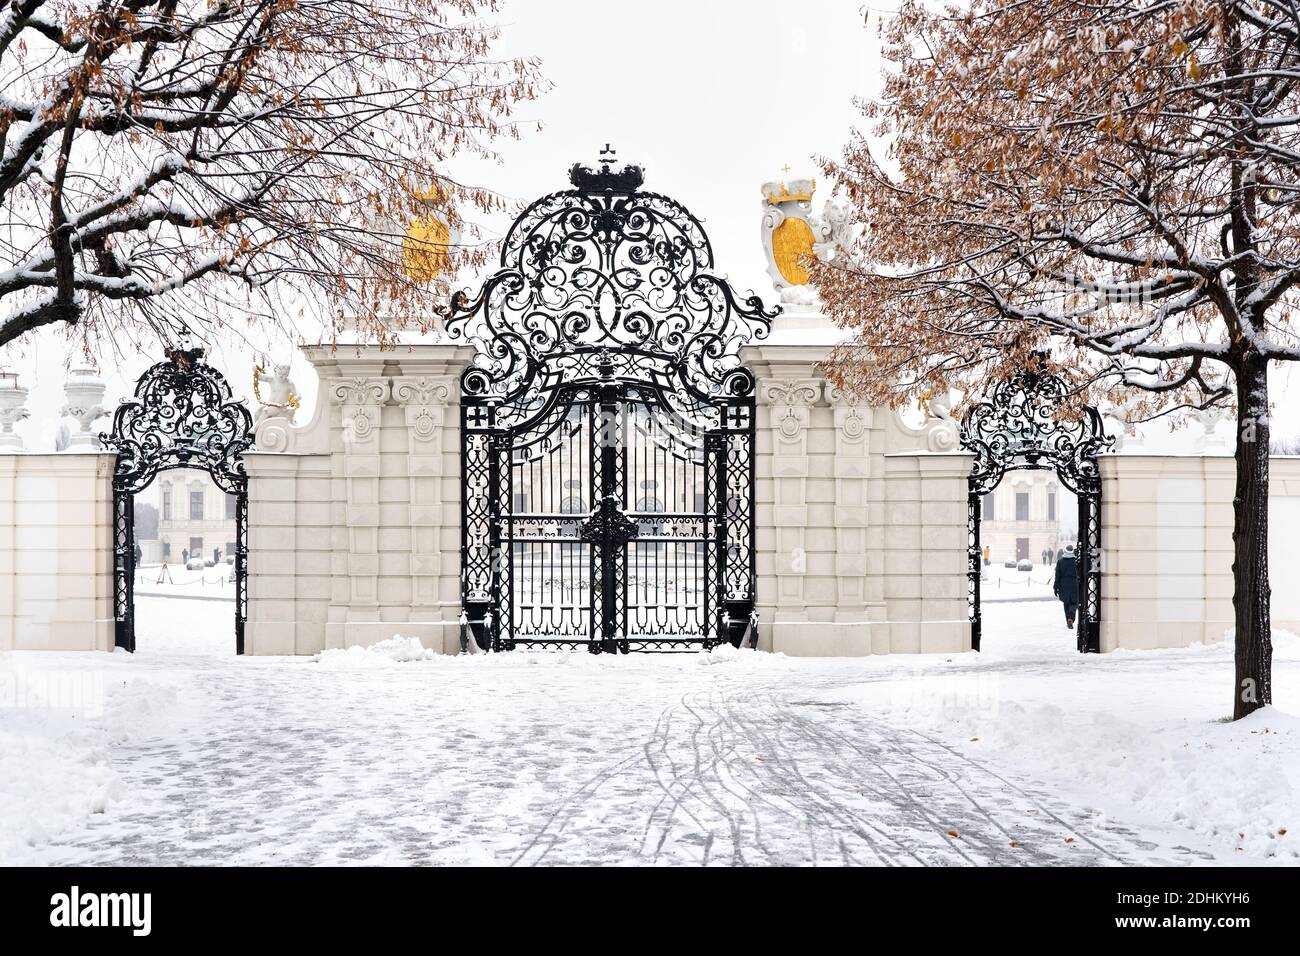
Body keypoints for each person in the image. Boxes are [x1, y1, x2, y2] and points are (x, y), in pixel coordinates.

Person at [1053, 543, 1079, 627]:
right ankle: (1071, 616)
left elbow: (1057, 576)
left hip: (1063, 584)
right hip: (1074, 583)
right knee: (1074, 602)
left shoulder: (1060, 561)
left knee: (1066, 603)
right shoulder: (1076, 561)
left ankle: (1068, 618)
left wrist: (1055, 587)